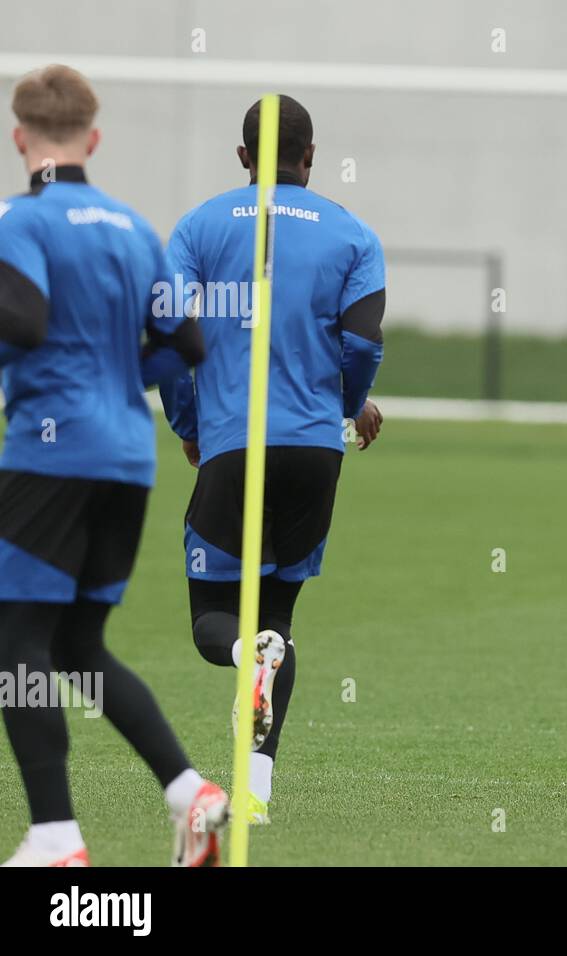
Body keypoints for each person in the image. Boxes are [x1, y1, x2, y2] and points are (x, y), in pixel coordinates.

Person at [0, 64, 225, 866]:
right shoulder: (134, 228)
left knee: (16, 638)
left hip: (49, 453)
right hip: (126, 456)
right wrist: (118, 382)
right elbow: (188, 346)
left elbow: (24, 323)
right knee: (78, 646)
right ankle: (190, 794)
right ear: (91, 139)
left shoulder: (19, 222)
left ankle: (57, 837)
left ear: (21, 138)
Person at [160, 94, 385, 825]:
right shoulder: (352, 234)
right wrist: (349, 406)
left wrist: (190, 424)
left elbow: (167, 339)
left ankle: (242, 663)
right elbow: (363, 345)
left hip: (233, 446)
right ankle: (254, 788)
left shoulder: (197, 228)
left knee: (214, 624)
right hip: (316, 451)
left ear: (242, 157)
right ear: (310, 157)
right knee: (276, 625)